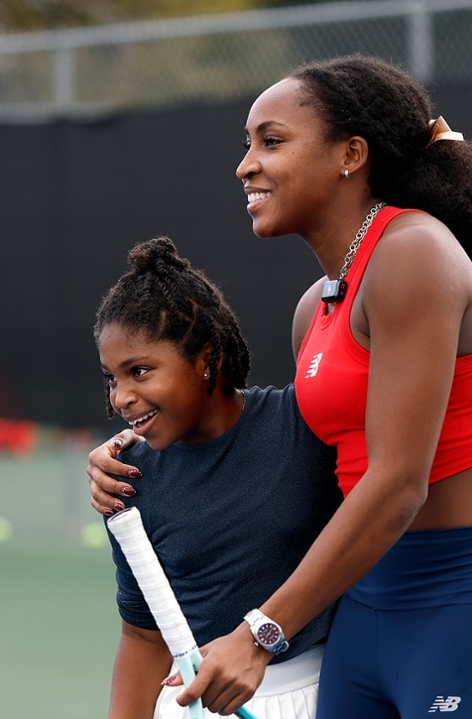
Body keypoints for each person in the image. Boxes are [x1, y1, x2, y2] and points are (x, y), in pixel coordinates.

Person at [92, 54, 472, 719]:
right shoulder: (314, 307)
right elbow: (306, 455)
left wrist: (261, 631)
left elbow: (399, 481)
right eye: (247, 145)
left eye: (272, 141)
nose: (246, 165)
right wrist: (130, 451)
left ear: (351, 154)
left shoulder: (413, 253)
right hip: (368, 611)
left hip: (471, 599)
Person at [96, 236, 343, 719]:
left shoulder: (301, 423)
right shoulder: (126, 479)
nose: (121, 397)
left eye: (140, 371)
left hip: (322, 692)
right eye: (111, 378)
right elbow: (143, 637)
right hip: (193, 705)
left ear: (207, 359)